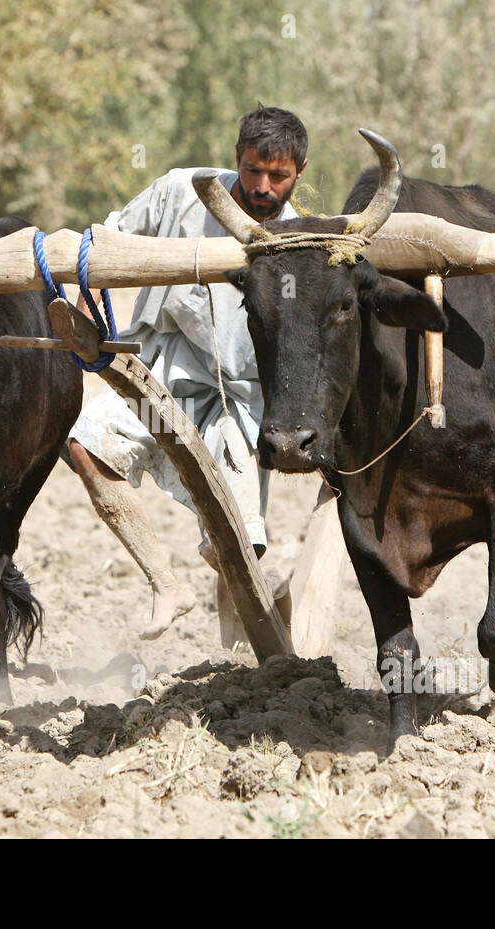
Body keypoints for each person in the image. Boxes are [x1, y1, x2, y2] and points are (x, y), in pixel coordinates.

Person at [67, 105, 309, 641]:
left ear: (301, 172)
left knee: (235, 548)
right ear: (236, 160)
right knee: (88, 447)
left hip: (243, 399)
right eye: (251, 170)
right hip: (163, 364)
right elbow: (102, 241)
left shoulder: (304, 243)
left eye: (278, 176)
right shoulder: (181, 191)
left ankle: (253, 641)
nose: (262, 186)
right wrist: (88, 294)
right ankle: (165, 584)